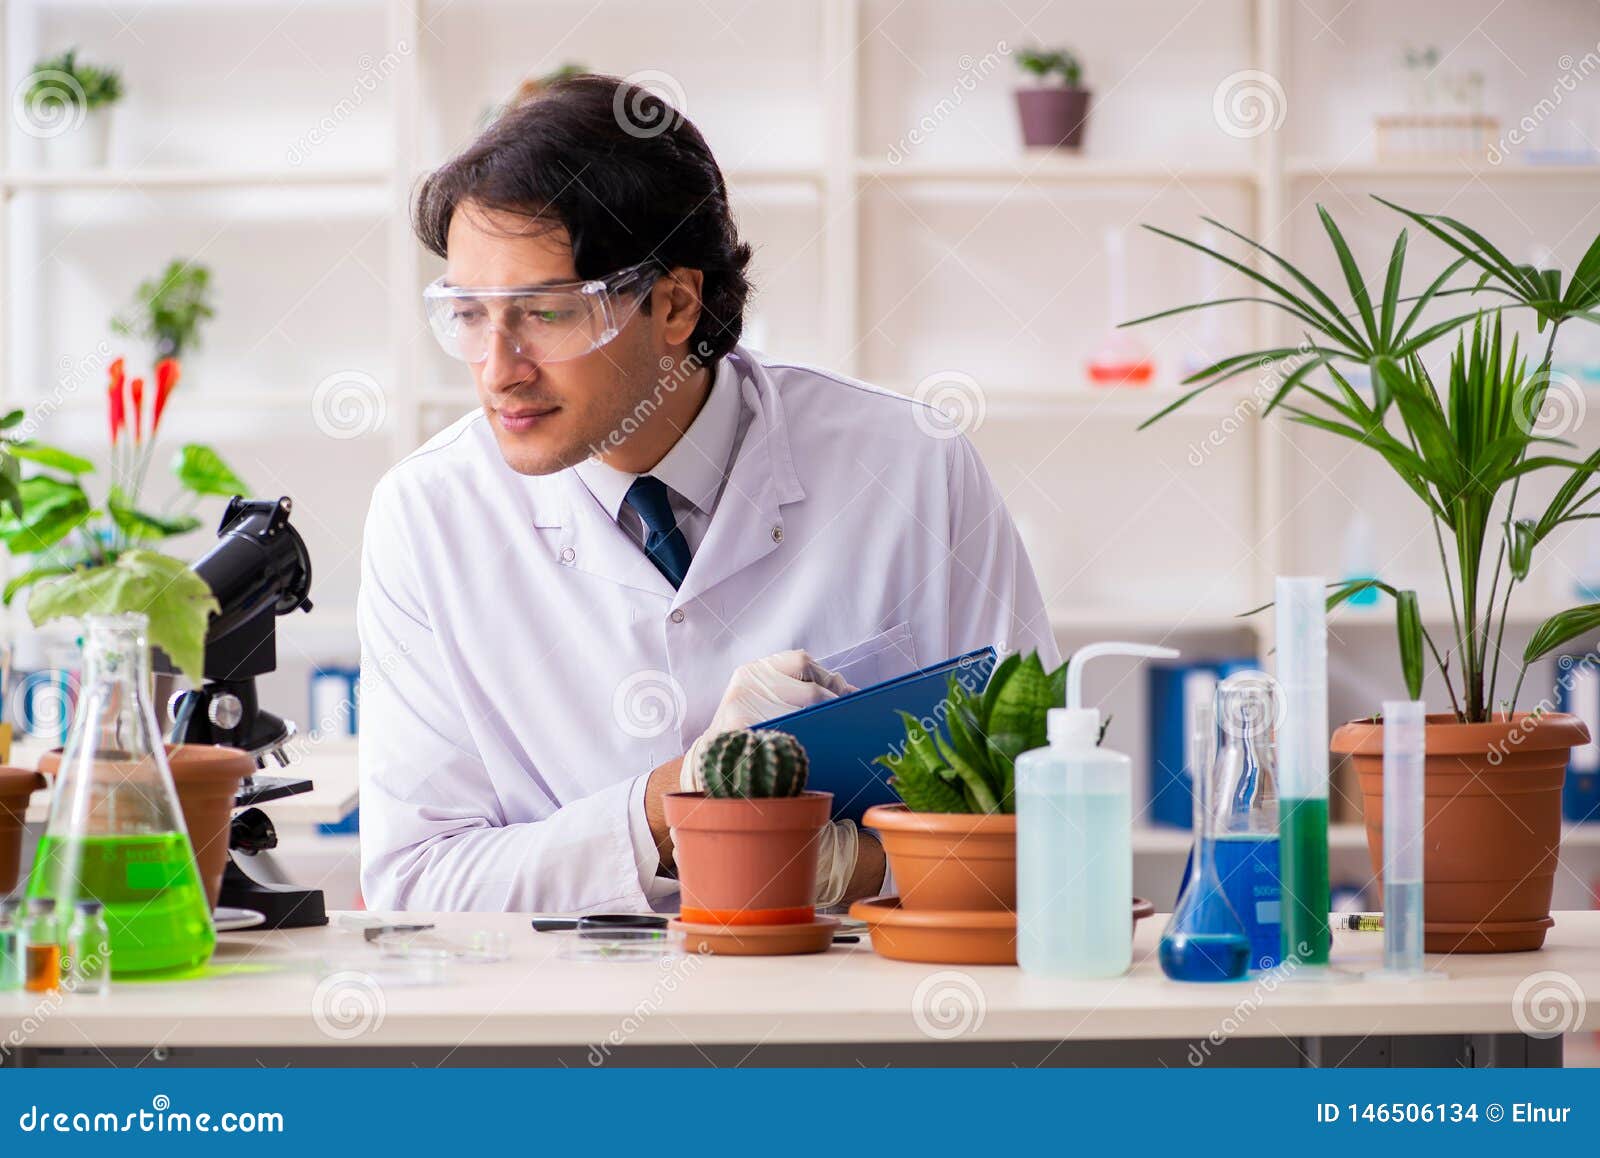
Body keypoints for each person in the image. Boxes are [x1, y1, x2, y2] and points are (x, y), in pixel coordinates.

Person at [357, 74, 1058, 913]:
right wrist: (671, 806)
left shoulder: (912, 467)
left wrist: (859, 870)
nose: (498, 367)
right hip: (559, 1026)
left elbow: (1046, 822)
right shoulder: (429, 515)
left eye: (544, 314)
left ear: (676, 304)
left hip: (849, 1020)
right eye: (470, 312)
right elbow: (416, 884)